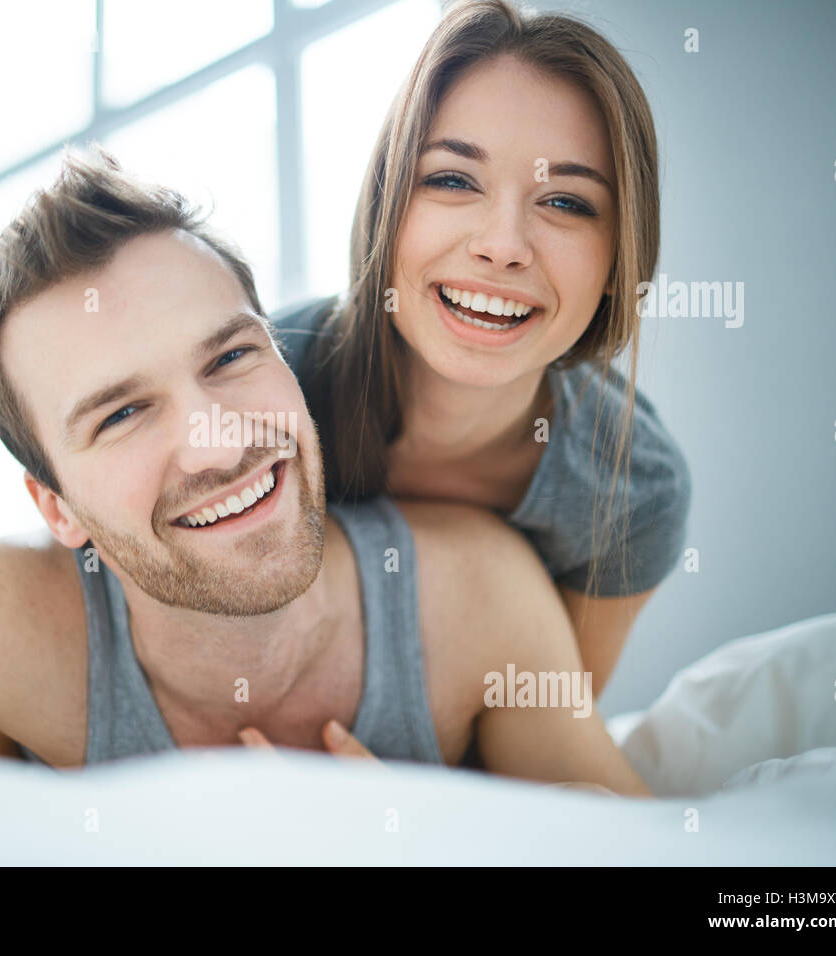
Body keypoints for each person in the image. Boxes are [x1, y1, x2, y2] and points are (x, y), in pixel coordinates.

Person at [0, 149, 649, 796]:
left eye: (233, 357)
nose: (215, 441)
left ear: (284, 356)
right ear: (57, 508)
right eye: (121, 414)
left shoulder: (472, 595)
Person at [273, 0, 691, 697]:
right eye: (452, 180)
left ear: (621, 260)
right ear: (386, 207)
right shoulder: (266, 388)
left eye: (565, 202)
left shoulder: (633, 494)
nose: (502, 246)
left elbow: (540, 745)